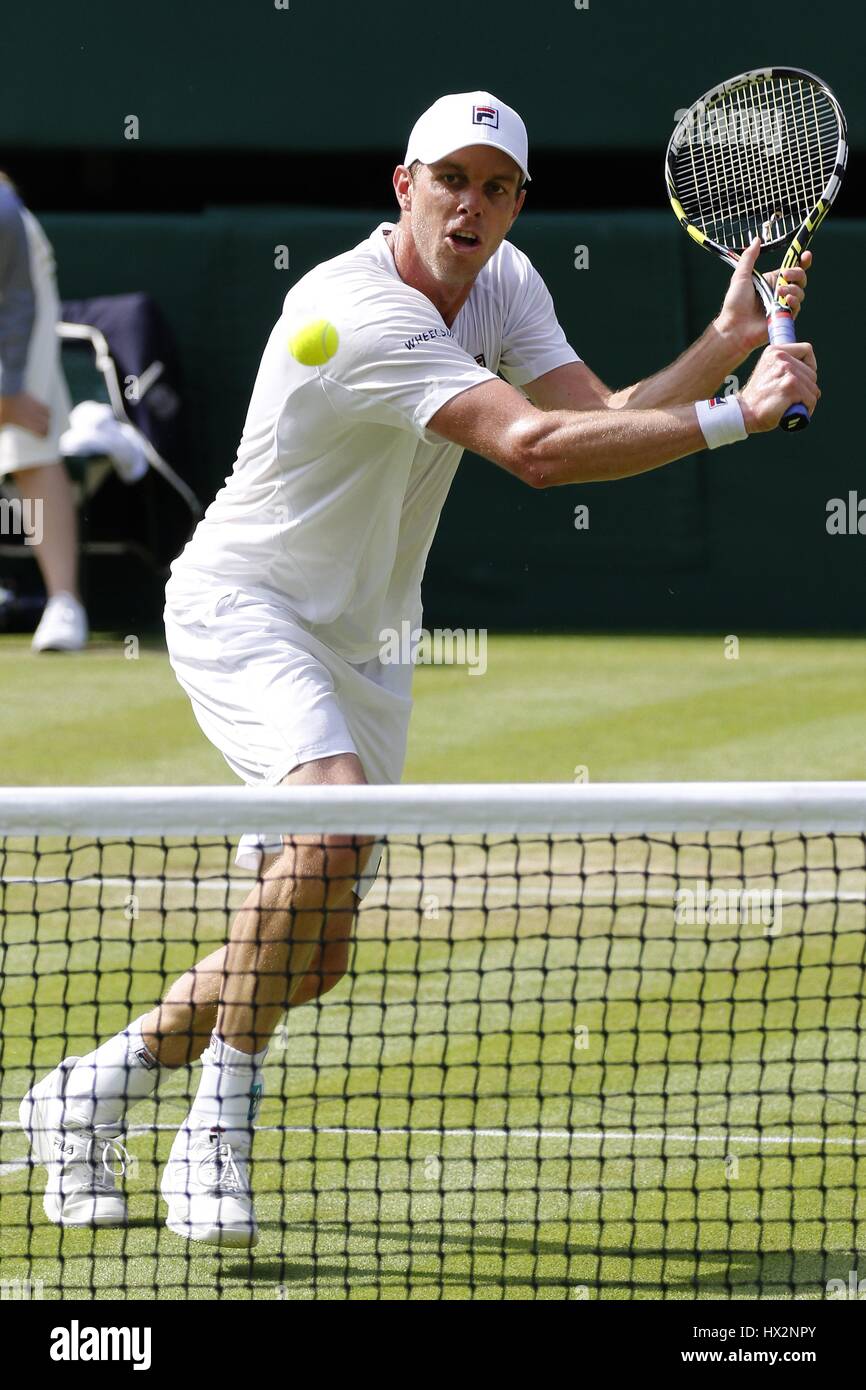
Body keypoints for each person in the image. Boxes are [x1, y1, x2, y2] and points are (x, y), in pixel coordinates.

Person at [20, 92, 817, 1244]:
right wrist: (734, 421)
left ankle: (83, 1094)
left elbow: (591, 417)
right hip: (245, 607)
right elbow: (535, 456)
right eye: (451, 179)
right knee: (329, 836)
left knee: (312, 952)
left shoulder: (506, 282)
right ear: (404, 186)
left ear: (515, 205)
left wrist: (721, 352)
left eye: (496, 188)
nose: (472, 205)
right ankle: (213, 1131)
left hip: (369, 640)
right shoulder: (348, 307)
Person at [0, 173, 88, 651]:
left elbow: (16, 303)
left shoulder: (3, 212)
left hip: (15, 289)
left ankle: (64, 603)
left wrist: (8, 390)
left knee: (24, 434)